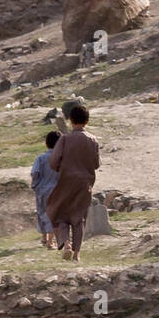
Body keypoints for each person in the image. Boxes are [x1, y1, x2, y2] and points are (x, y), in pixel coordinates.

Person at [46, 104, 101, 263]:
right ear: (87, 121)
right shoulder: (92, 140)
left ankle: (66, 243)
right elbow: (96, 164)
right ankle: (77, 255)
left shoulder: (64, 139)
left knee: (57, 213)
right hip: (85, 184)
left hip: (66, 181)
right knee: (79, 218)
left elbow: (53, 161)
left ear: (70, 121)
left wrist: (59, 168)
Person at [30, 131, 61, 249]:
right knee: (53, 215)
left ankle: (44, 237)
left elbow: (35, 173)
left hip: (42, 190)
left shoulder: (41, 158)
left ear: (46, 143)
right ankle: (50, 241)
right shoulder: (61, 159)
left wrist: (36, 186)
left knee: (41, 212)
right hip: (56, 191)